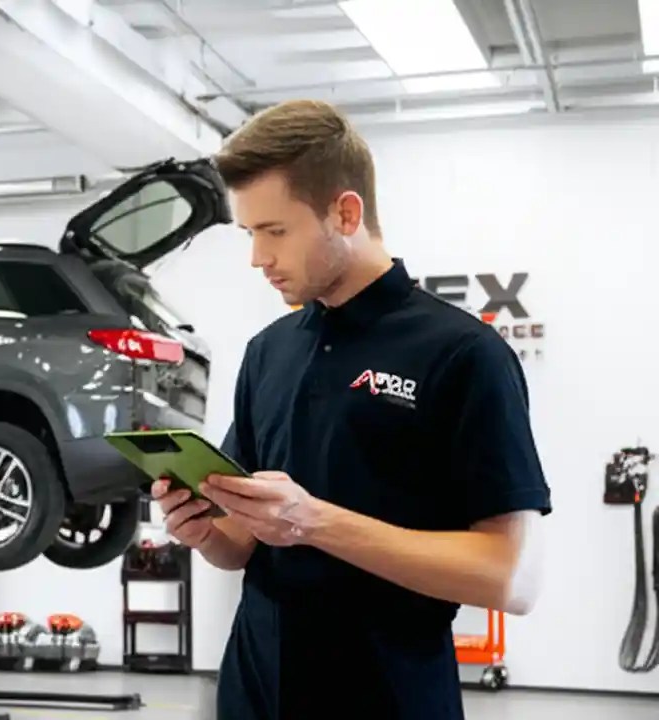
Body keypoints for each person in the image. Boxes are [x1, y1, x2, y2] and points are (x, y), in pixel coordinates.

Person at [152, 99, 553, 718]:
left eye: (275, 231)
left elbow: (511, 578)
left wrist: (312, 522)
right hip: (254, 692)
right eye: (249, 233)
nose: (257, 258)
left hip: (389, 696)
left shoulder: (464, 354)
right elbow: (240, 543)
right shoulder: (269, 352)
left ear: (345, 212)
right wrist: (204, 532)